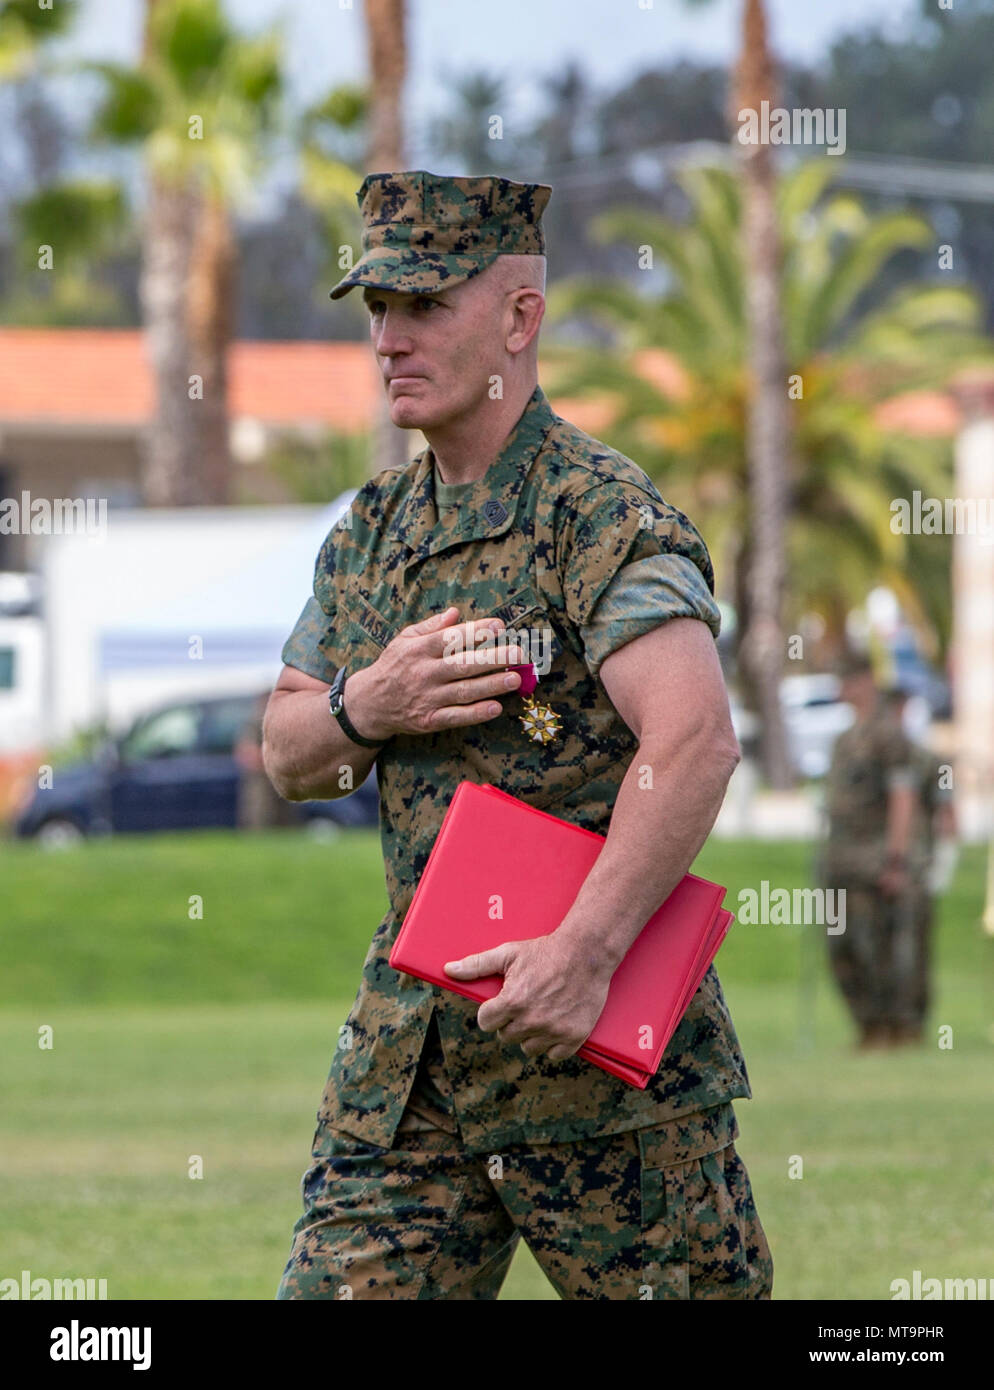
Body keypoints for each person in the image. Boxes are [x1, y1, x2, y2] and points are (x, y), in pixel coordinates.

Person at [263, 170, 772, 1300]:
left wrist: (583, 955)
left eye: (425, 304)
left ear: (519, 316)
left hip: (601, 1068)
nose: (390, 336)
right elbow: (287, 748)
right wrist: (368, 705)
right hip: (413, 1077)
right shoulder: (373, 531)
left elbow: (693, 742)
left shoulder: (596, 512)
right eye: (376, 308)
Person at [820, 653, 920, 1050]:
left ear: (864, 681)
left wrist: (896, 858)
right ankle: (865, 1024)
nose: (840, 688)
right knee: (840, 943)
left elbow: (903, 797)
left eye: (846, 679)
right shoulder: (845, 738)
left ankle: (891, 1026)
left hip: (872, 858)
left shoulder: (888, 735)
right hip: (841, 858)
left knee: (875, 944)